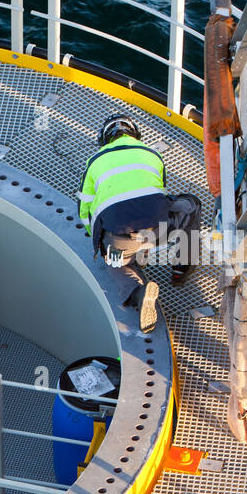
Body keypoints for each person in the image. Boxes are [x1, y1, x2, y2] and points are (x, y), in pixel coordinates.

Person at [78, 113, 202, 335]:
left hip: (119, 237)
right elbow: (160, 194)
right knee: (191, 205)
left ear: (104, 139)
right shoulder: (151, 153)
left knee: (117, 264)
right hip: (159, 229)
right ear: (135, 134)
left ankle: (138, 293)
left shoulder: (94, 161)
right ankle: (181, 267)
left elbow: (84, 211)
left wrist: (100, 242)